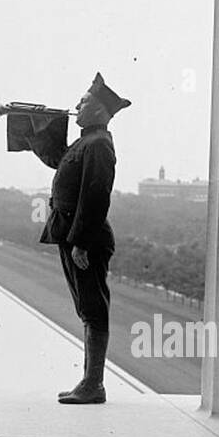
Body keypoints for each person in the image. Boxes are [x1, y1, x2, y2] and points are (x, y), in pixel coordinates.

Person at [39, 72, 131, 405]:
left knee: (93, 311)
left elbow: (95, 196)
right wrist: (40, 129)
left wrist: (80, 240)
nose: (77, 104)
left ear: (101, 110)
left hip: (85, 240)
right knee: (87, 311)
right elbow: (58, 162)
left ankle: (94, 386)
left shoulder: (99, 145)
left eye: (85, 101)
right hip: (74, 236)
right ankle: (89, 383)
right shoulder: (86, 142)